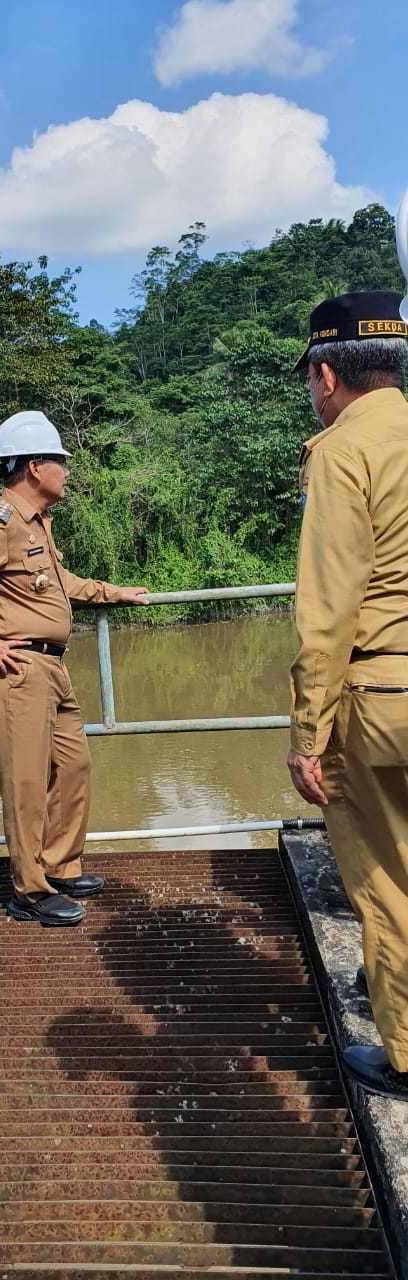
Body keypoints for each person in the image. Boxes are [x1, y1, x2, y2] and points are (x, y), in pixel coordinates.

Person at [0, 411, 149, 925]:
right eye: (60, 461)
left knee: (74, 766)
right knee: (26, 784)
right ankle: (29, 892)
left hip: (51, 669)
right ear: (34, 466)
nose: (67, 471)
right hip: (19, 671)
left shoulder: (35, 525)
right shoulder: (0, 524)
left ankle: (60, 865)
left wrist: (112, 593)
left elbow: (59, 583)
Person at [286, 290, 408, 1101]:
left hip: (385, 694)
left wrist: (308, 733)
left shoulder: (340, 451)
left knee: (390, 882)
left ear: (328, 374)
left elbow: (328, 611)